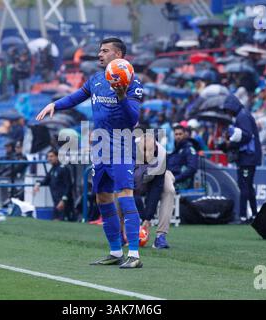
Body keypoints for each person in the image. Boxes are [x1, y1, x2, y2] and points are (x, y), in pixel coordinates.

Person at [36, 38, 143, 268]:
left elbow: (133, 117)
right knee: (102, 196)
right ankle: (116, 251)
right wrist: (56, 104)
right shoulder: (96, 79)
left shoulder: (132, 82)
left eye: (105, 51)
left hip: (122, 143)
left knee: (125, 193)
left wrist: (122, 96)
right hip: (101, 145)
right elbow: (76, 97)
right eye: (100, 51)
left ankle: (133, 254)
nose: (100, 55)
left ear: (119, 55)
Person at [223, 94, 262, 224]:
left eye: (228, 109)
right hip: (248, 157)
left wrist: (231, 143)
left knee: (245, 186)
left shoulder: (242, 116)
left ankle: (243, 216)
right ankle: (255, 215)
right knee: (248, 186)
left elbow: (246, 135)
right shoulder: (243, 114)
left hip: (248, 157)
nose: (228, 112)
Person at [134, 133, 172, 249]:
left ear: (155, 147)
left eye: (149, 151)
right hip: (136, 178)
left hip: (155, 177)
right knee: (118, 190)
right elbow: (130, 189)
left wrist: (147, 218)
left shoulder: (162, 154)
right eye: (144, 151)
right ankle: (120, 234)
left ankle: (161, 236)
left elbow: (156, 188)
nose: (146, 155)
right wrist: (142, 215)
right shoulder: (129, 150)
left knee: (169, 189)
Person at [34, 149, 74, 221]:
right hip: (56, 202)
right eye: (48, 157)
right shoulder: (53, 169)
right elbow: (46, 180)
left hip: (64, 202)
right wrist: (38, 184)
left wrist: (63, 200)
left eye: (51, 156)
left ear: (57, 157)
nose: (49, 158)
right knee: (55, 221)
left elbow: (68, 185)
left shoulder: (63, 168)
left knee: (65, 222)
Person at [167, 125, 198, 190]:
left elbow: (192, 168)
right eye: (176, 134)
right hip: (171, 180)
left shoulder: (189, 149)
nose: (178, 136)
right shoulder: (176, 150)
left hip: (181, 183)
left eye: (180, 134)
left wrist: (176, 178)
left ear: (184, 135)